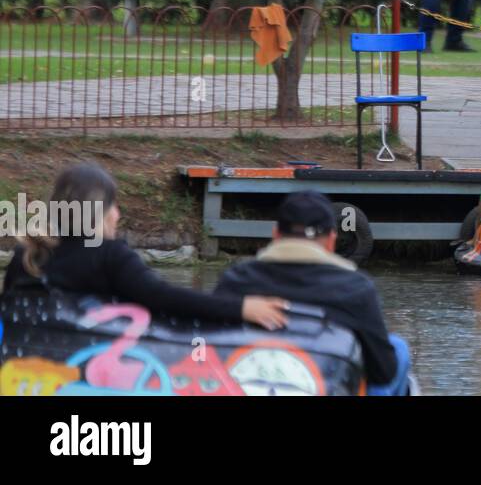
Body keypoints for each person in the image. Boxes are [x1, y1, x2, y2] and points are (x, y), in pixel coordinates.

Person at [3, 163, 287, 329]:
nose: (118, 213)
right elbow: (165, 298)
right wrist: (240, 308)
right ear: (100, 212)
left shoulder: (27, 254)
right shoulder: (109, 256)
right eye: (113, 205)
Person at [216, 191, 411, 395]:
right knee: (398, 348)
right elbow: (384, 372)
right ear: (331, 241)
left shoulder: (237, 278)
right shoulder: (356, 287)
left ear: (276, 235)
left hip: (252, 383)